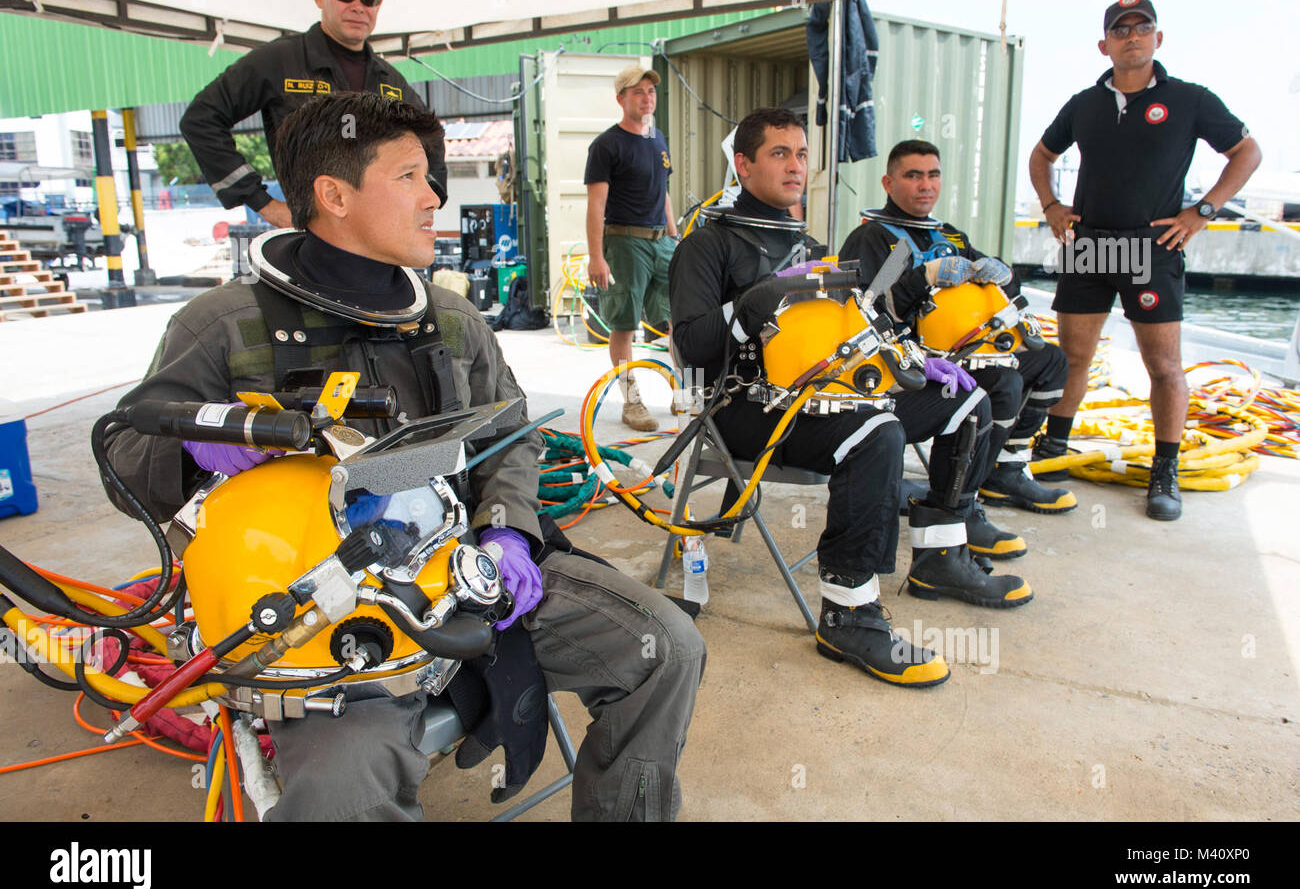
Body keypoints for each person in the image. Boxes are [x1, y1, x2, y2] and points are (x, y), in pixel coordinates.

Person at [107, 92, 704, 822]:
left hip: (470, 570)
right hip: (319, 618)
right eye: (410, 177)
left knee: (665, 645)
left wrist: (510, 529)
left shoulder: (452, 318)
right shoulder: (226, 323)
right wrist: (208, 444)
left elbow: (510, 438)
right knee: (338, 795)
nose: (434, 197)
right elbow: (129, 450)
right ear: (333, 195)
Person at [670, 108, 1030, 692]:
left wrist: (910, 351)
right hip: (742, 409)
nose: (796, 165)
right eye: (779, 153)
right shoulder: (708, 245)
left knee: (967, 399)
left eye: (802, 154)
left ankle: (939, 554)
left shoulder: (809, 244)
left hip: (823, 391)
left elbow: (866, 318)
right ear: (743, 164)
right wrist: (758, 299)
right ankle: (848, 612)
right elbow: (691, 347)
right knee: (877, 431)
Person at [1028, 0, 1260, 520]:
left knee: (1163, 366)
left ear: (1158, 38)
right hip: (1088, 242)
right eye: (1121, 29)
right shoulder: (1083, 104)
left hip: (1150, 247)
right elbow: (1042, 155)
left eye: (1142, 27)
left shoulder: (1191, 99)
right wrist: (1051, 206)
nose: (1131, 36)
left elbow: (1247, 151)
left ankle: (1165, 470)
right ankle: (1052, 449)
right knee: (1073, 359)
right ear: (1104, 44)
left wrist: (1202, 210)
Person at [839, 140, 1078, 538]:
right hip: (912, 360)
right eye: (913, 175)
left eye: (933, 175)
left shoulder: (950, 236)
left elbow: (1003, 286)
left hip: (967, 347)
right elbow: (867, 306)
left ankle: (1006, 468)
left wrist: (1001, 271)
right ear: (888, 181)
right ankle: (957, 502)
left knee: (1051, 362)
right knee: (1004, 384)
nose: (925, 185)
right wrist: (925, 275)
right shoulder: (884, 239)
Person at [180, 0, 446, 229]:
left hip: (379, 238)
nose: (358, 6)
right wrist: (263, 203)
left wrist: (423, 201)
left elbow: (433, 141)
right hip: (314, 239)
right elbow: (201, 119)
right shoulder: (279, 60)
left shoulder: (390, 80)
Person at [584, 63, 678, 431]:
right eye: (638, 91)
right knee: (624, 325)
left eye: (651, 91)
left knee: (682, 321)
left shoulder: (658, 139)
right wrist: (596, 257)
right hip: (624, 244)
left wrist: (673, 235)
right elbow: (596, 205)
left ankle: (686, 395)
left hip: (661, 242)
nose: (647, 97)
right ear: (621, 98)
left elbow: (663, 192)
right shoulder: (607, 145)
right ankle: (632, 401)